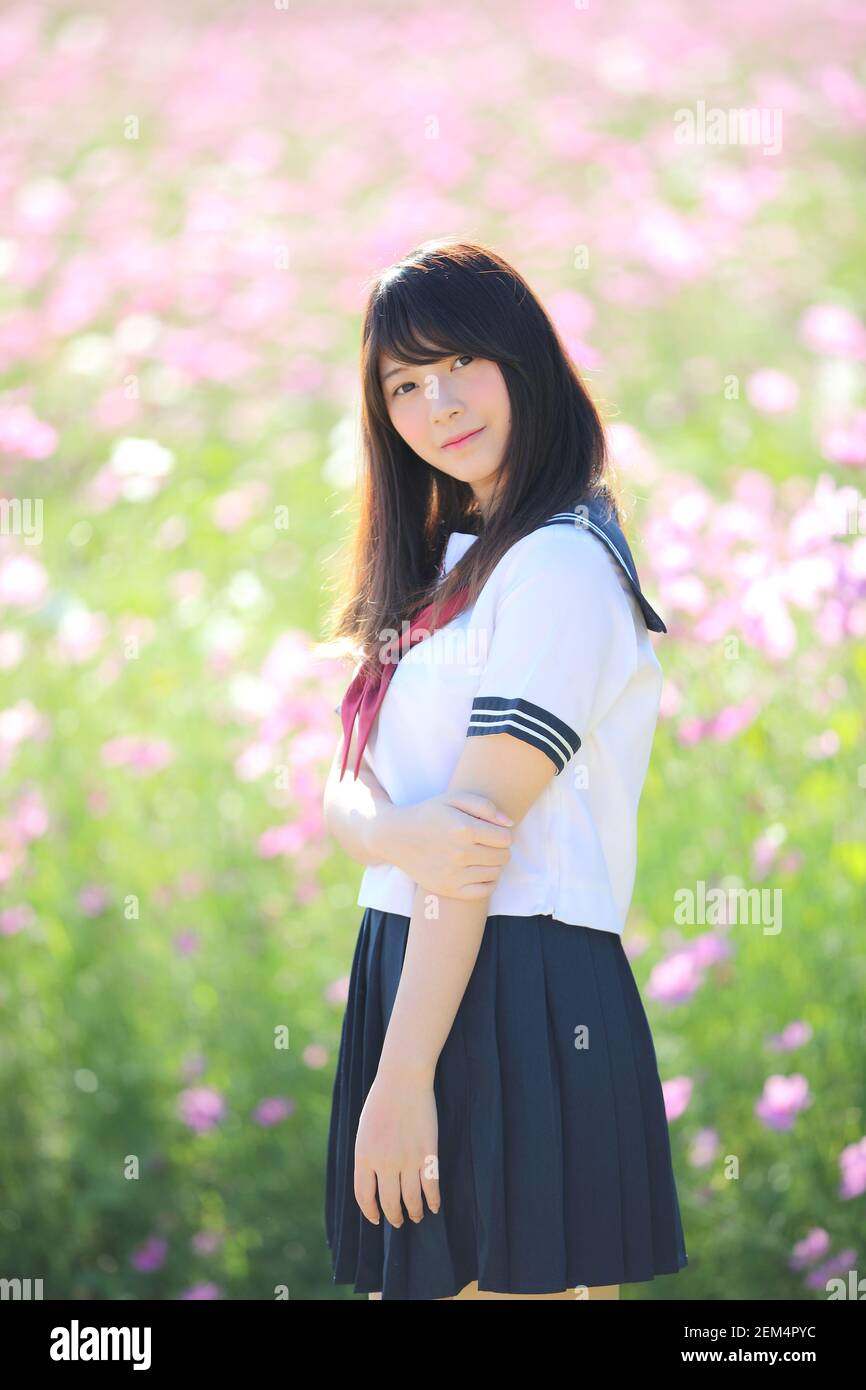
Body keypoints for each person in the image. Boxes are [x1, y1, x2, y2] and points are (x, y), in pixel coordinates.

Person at [320, 238, 688, 1301]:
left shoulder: (560, 565)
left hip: (517, 994)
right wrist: (388, 835)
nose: (438, 403)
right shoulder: (445, 563)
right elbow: (343, 786)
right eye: (403, 383)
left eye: (460, 363)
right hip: (415, 973)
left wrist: (402, 1076)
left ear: (523, 360)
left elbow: (473, 844)